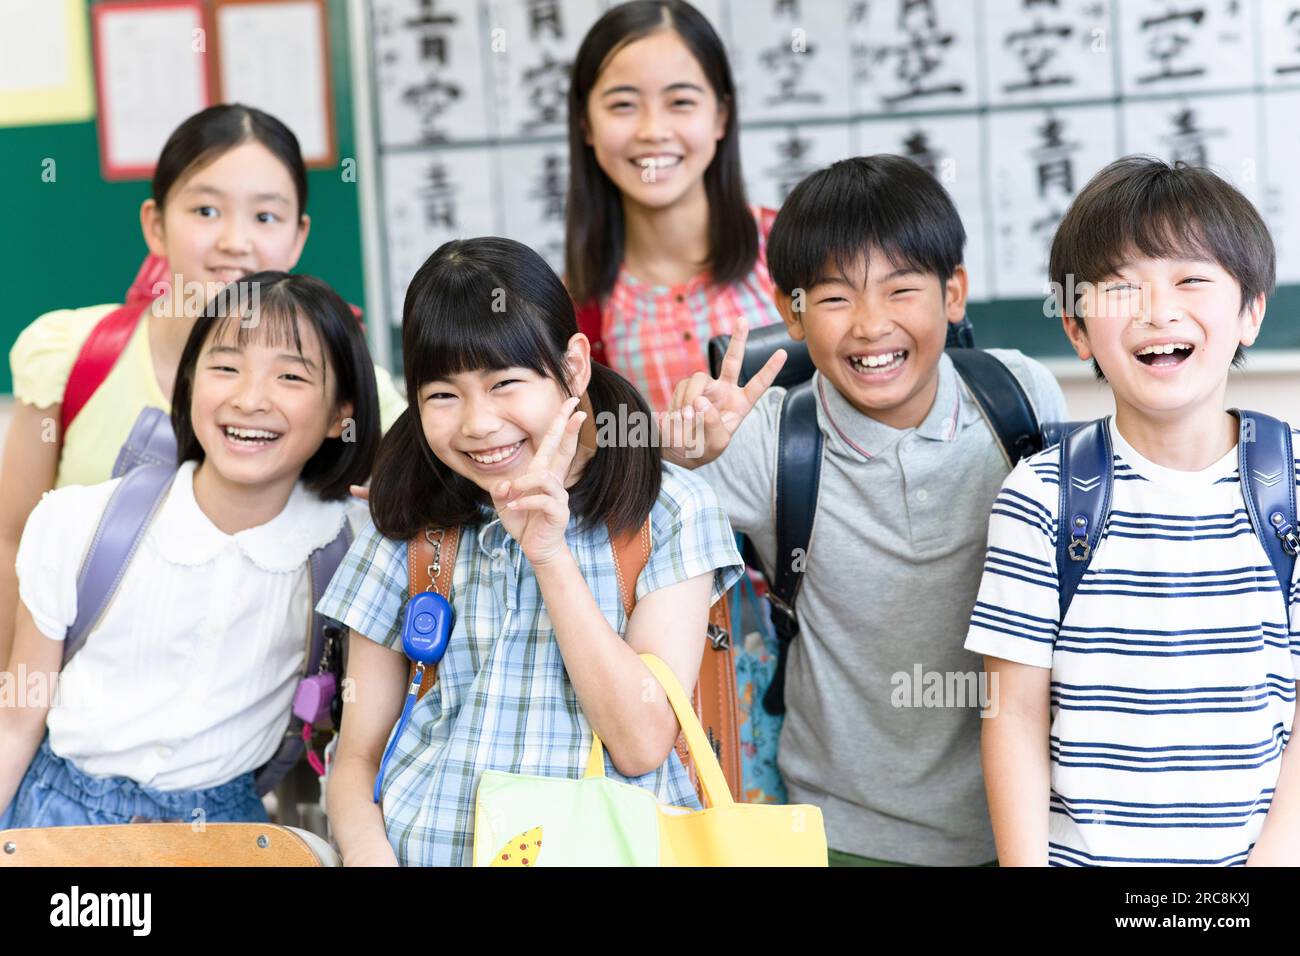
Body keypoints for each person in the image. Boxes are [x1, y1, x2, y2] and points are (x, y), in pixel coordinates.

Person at [662, 155, 1068, 865]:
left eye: (902, 288)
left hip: (1025, 822)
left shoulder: (1022, 398)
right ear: (792, 312)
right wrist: (683, 460)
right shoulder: (764, 440)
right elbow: (615, 524)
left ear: (954, 294)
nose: (871, 326)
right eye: (836, 298)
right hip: (844, 833)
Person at [318, 237, 743, 866]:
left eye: (505, 383)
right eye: (442, 394)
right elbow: (356, 757)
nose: (478, 423)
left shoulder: (668, 511)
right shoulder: (408, 525)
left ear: (573, 367)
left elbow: (641, 741)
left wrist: (549, 554)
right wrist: (366, 855)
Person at [966, 157, 1299, 866]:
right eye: (1120, 287)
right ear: (1077, 329)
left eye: (1191, 279)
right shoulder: (1041, 497)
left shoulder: (1292, 487)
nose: (1158, 310)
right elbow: (1015, 714)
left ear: (1251, 312)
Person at [0, 272, 379, 828]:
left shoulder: (352, 549)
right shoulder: (77, 523)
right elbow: (15, 722)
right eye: (225, 367)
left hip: (224, 830)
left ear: (340, 414)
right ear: (190, 383)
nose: (250, 398)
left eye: (291, 376)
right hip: (54, 818)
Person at [565, 0, 782, 412]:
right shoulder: (571, 313)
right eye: (623, 105)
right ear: (586, 125)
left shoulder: (796, 247)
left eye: (680, 101)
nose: (653, 131)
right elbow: (594, 461)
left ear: (721, 116)